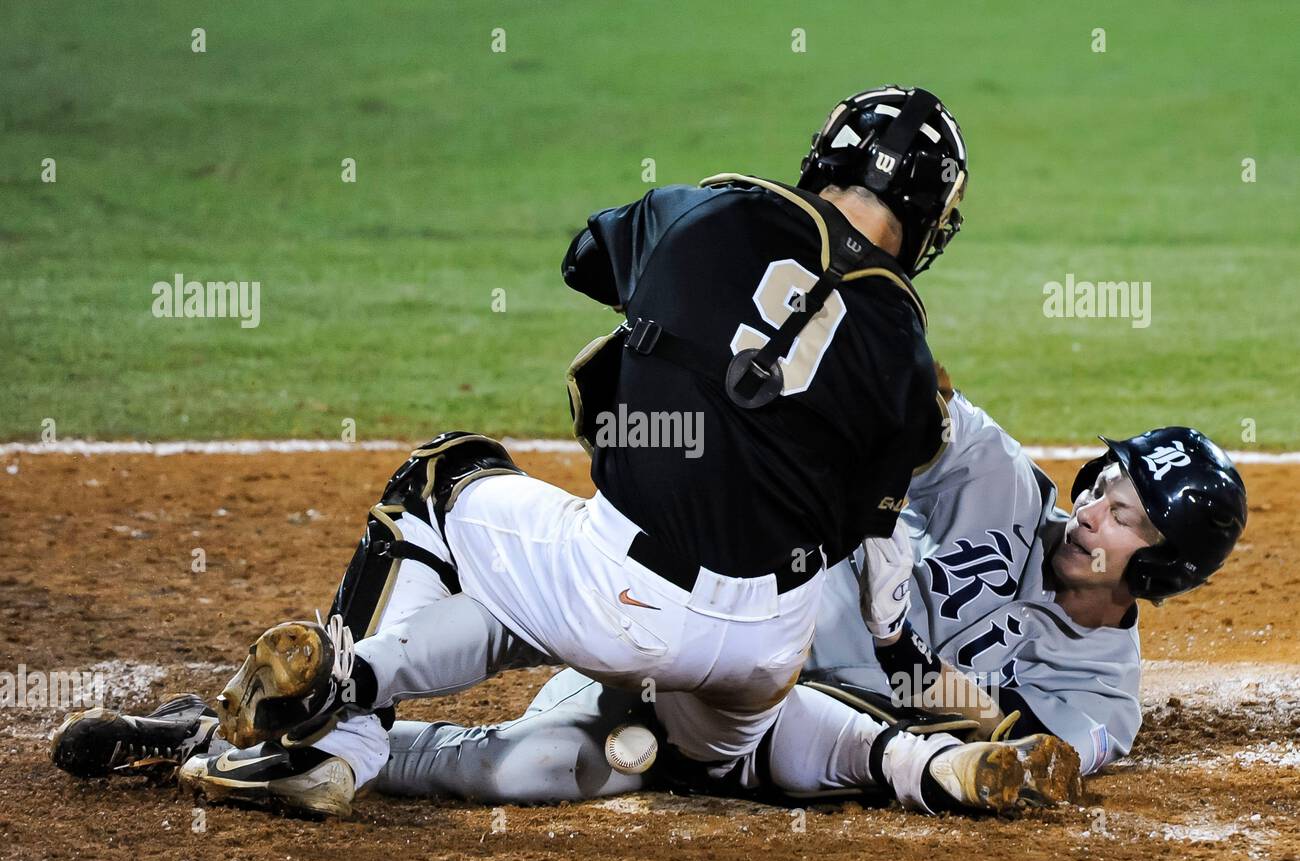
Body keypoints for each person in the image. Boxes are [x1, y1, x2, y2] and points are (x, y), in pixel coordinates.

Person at [53, 85, 976, 818]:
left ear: (826, 156)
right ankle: (913, 761)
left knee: (443, 475)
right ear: (931, 221)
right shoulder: (910, 357)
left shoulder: (711, 209)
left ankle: (339, 742)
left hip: (619, 592)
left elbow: (587, 258)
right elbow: (866, 535)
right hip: (766, 648)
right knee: (692, 752)